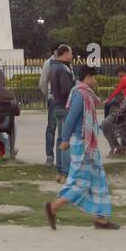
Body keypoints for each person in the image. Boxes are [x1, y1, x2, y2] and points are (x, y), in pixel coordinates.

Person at [44, 66, 119, 231]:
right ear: (88, 77)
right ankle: (53, 207)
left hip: (89, 144)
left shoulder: (87, 95)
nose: (96, 81)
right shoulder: (81, 95)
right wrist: (65, 139)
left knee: (99, 180)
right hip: (82, 144)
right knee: (81, 183)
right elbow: (70, 118)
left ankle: (101, 219)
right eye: (94, 77)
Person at [49, 44, 75, 183]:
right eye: (71, 53)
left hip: (56, 106)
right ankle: (66, 172)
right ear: (65, 53)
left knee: (59, 140)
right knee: (65, 140)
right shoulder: (64, 68)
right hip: (65, 106)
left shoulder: (53, 67)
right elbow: (66, 88)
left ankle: (59, 172)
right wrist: (75, 84)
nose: (72, 56)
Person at [38, 47, 58, 168]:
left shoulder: (66, 63)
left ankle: (54, 158)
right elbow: (43, 82)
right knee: (52, 128)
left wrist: (48, 94)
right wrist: (49, 95)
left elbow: (42, 83)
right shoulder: (49, 63)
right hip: (55, 99)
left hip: (57, 99)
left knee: (54, 128)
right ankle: (50, 156)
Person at [101, 86, 126, 156]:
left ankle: (116, 147)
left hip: (122, 115)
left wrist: (118, 110)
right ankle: (119, 148)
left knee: (104, 124)